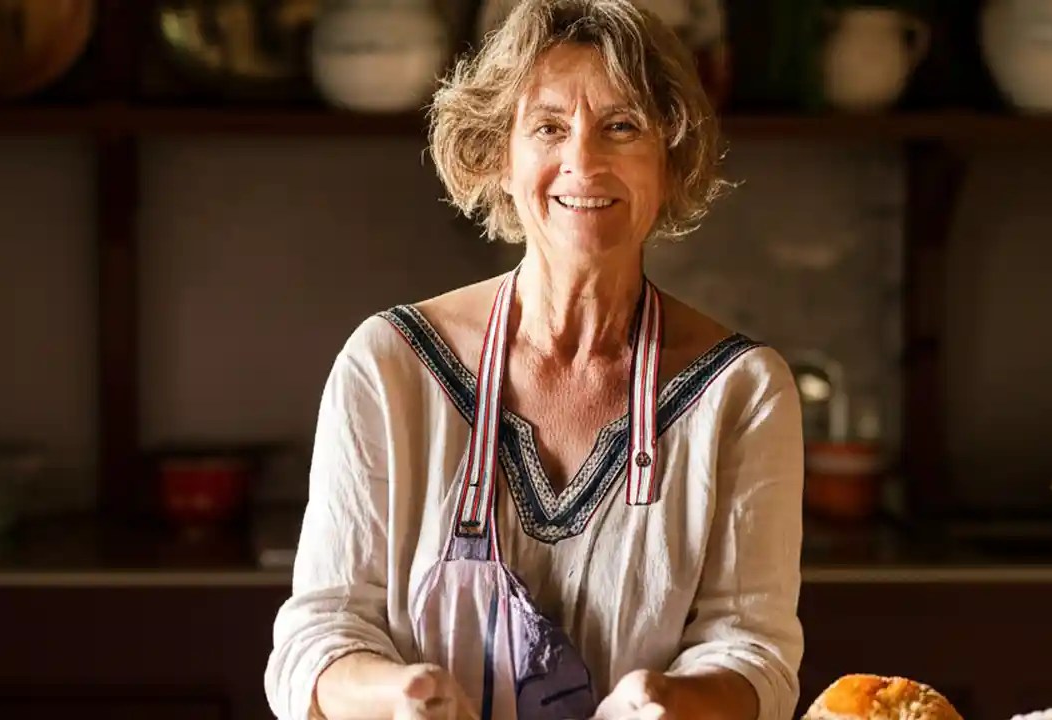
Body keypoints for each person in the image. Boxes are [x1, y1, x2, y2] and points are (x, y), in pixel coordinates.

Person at [264, 1, 805, 718]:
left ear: (669, 160)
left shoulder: (742, 392)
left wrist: (674, 701)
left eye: (622, 127)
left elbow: (753, 653)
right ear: (497, 158)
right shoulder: (390, 365)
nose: (584, 161)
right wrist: (399, 695)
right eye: (548, 127)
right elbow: (318, 635)